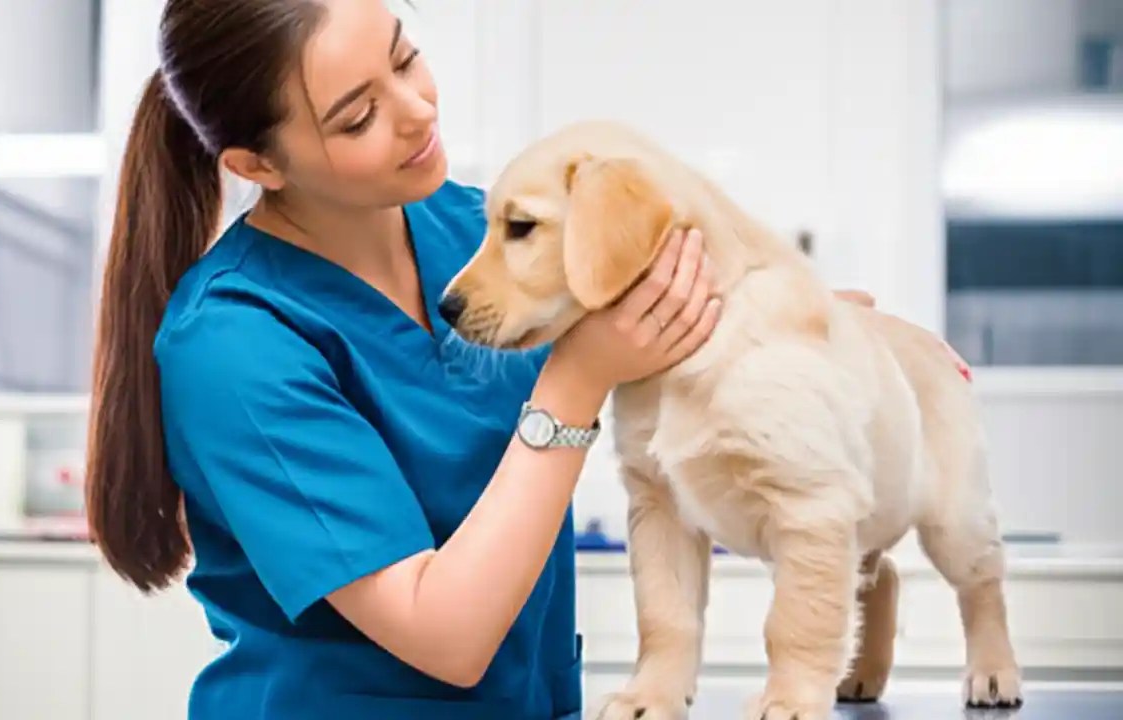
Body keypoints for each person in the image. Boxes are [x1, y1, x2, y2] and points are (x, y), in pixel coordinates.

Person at [82, 1, 928, 718]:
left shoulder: (472, 227)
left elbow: (666, 319)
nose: (415, 109)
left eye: (405, 57)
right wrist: (576, 381)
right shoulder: (235, 345)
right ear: (257, 164)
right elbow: (444, 635)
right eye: (358, 115)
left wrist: (814, 333)